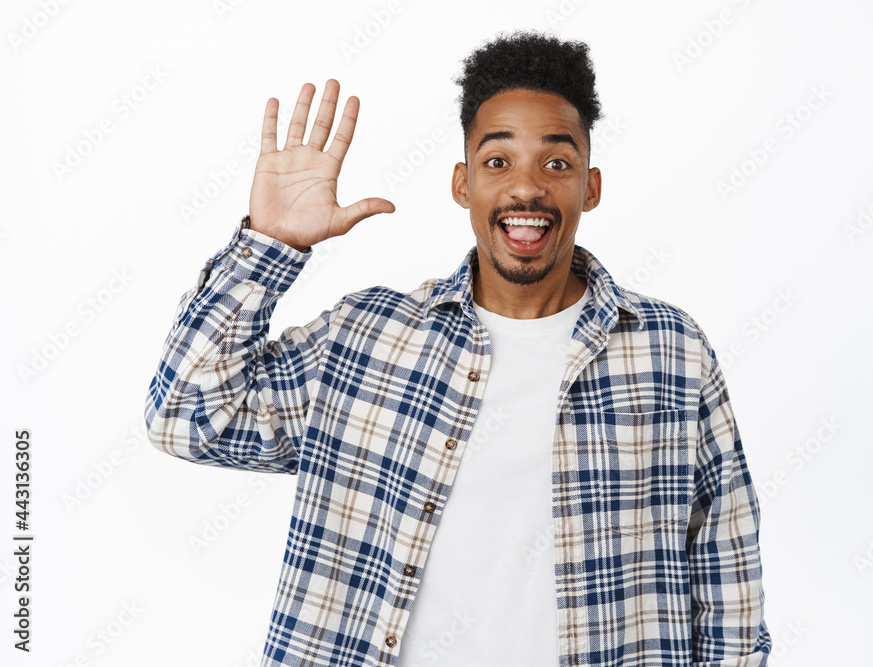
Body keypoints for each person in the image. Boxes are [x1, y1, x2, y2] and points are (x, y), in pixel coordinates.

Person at [146, 31, 770, 667]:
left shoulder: (670, 351)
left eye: (556, 163)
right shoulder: (366, 338)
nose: (526, 189)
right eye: (498, 161)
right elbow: (186, 419)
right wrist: (270, 247)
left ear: (591, 187)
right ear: (462, 183)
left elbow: (727, 569)